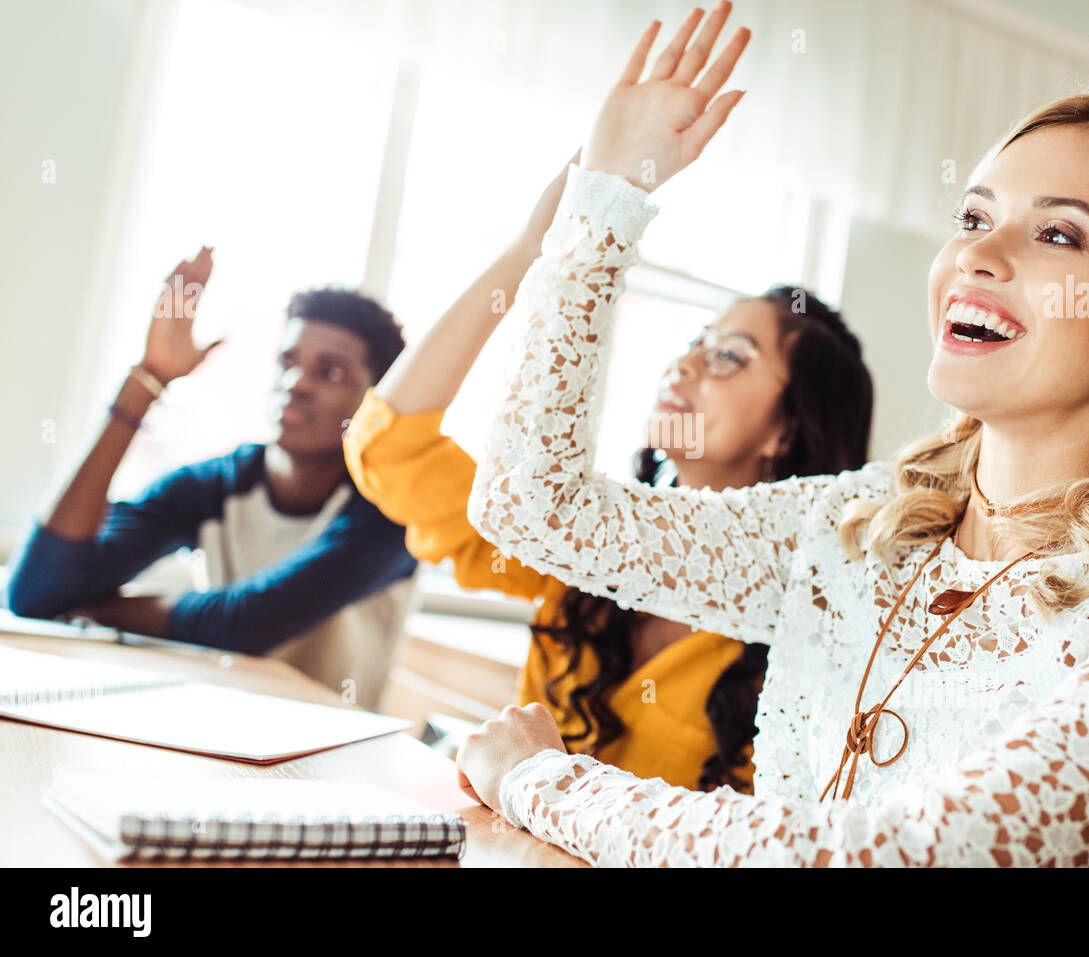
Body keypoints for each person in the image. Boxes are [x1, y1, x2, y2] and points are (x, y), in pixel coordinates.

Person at [454, 2, 1089, 866]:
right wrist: (607, 194)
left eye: (1057, 233)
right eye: (973, 218)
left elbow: (915, 854)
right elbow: (531, 505)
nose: (978, 253)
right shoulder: (865, 527)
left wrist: (544, 780)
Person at [343, 155, 872, 792]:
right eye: (696, 341)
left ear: (786, 430)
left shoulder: (815, 629)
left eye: (730, 357)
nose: (684, 365)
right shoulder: (581, 539)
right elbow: (393, 447)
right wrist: (530, 253)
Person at [5, 249, 418, 710]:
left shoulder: (392, 508)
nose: (297, 382)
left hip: (344, 755)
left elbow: (246, 622)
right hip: (222, 729)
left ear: (374, 399)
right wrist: (149, 379)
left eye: (331, 371)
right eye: (288, 360)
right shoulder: (214, 485)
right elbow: (35, 592)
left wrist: (98, 609)